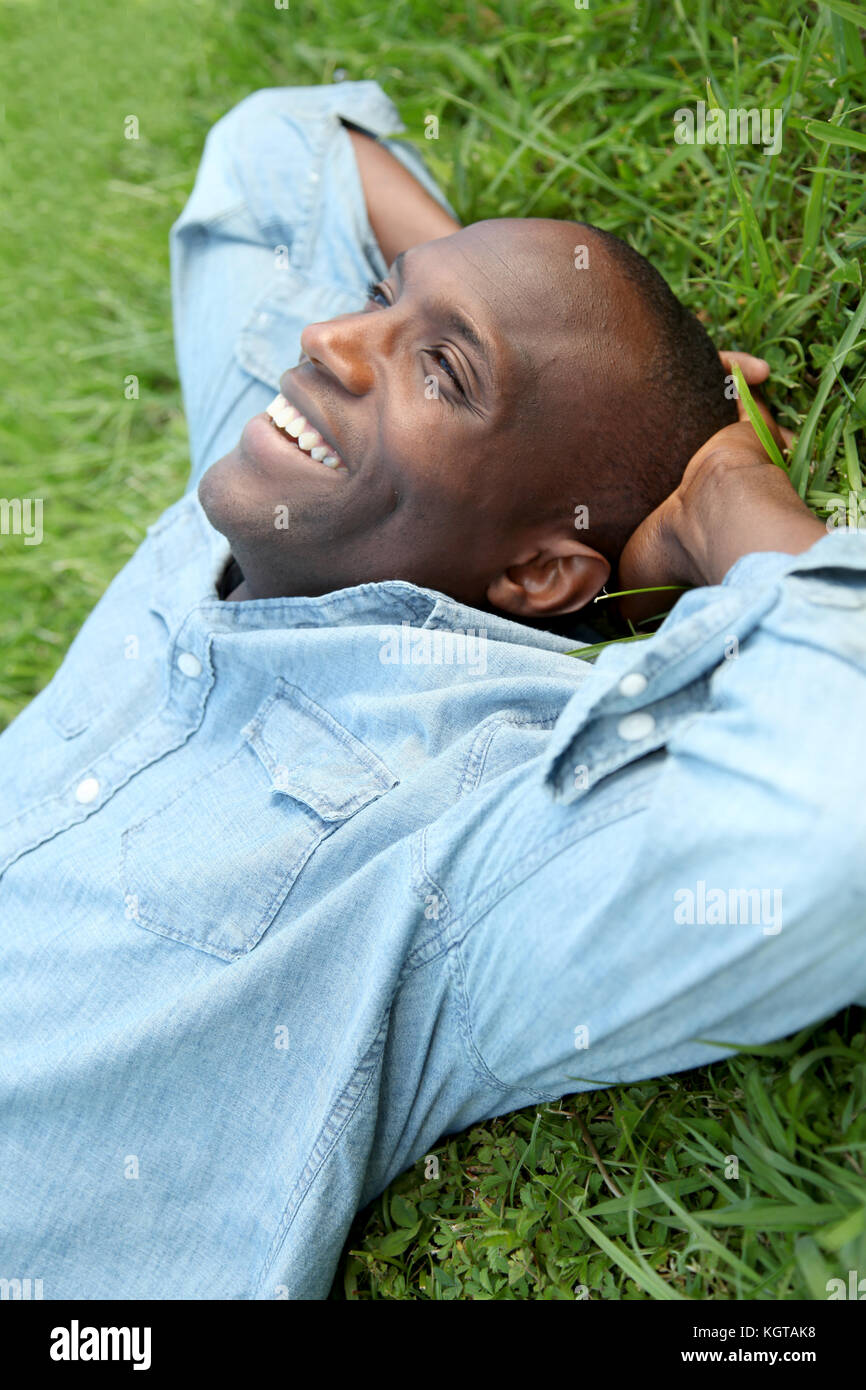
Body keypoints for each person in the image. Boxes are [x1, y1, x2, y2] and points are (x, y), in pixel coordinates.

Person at [1, 81, 863, 1301]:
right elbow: (275, 154)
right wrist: (469, 325)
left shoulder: (460, 830)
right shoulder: (262, 483)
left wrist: (727, 491)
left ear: (535, 572)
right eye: (379, 299)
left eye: (444, 375)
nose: (328, 345)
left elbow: (836, 817)